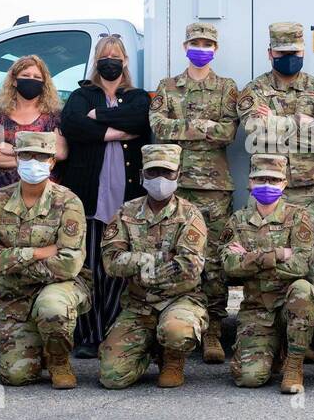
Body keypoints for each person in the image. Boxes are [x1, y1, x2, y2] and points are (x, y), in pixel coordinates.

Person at [0, 132, 90, 389]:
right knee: (16, 377)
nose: (33, 162)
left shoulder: (68, 202)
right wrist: (36, 252)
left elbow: (69, 263)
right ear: (16, 158)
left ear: (52, 162)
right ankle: (37, 347)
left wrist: (7, 258)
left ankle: (58, 360)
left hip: (58, 287)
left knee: (52, 307)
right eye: (26, 155)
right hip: (13, 296)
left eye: (41, 156)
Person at [150, 22, 240, 364]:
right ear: (185, 46)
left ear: (215, 49)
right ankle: (179, 324)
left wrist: (185, 129)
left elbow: (229, 132)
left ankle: (214, 327)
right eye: (195, 42)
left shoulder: (226, 87)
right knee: (178, 255)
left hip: (214, 188)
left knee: (214, 259)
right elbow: (159, 127)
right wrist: (203, 127)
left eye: (207, 43)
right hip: (175, 185)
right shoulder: (168, 87)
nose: (201, 47)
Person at [59, 35, 151, 358]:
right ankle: (88, 336)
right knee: (91, 266)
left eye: (116, 56)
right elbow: (72, 126)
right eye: (105, 56)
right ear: (97, 61)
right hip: (90, 196)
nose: (110, 61)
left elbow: (141, 121)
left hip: (126, 197)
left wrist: (98, 120)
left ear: (125, 61)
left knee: (117, 267)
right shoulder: (82, 96)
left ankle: (113, 332)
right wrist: (116, 132)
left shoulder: (137, 97)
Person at [98, 144, 209, 389]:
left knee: (177, 331)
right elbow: (111, 263)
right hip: (138, 305)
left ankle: (172, 358)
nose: (160, 179)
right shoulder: (125, 212)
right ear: (142, 175)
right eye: (153, 172)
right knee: (112, 378)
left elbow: (189, 267)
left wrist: (137, 262)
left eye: (167, 173)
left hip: (180, 300)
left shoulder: (190, 215)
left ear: (178, 174)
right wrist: (162, 259)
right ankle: (149, 348)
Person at [237, 23, 314, 281]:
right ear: (270, 53)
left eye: (295, 53)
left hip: (306, 190)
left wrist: (275, 120)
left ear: (303, 52)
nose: (289, 59)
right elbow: (256, 130)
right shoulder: (254, 90)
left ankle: (304, 310)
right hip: (265, 186)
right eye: (282, 53)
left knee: (306, 257)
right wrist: (300, 121)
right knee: (261, 253)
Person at [221, 154, 314, 393]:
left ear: (284, 184)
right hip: (257, 308)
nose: (267, 185)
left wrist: (250, 257)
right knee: (249, 378)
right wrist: (278, 254)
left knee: (303, 291)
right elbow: (229, 265)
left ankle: (294, 364)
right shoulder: (238, 220)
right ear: (250, 182)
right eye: (260, 179)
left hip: (289, 302)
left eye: (274, 180)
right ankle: (274, 351)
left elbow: (301, 265)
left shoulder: (298, 216)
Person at [0, 54, 67, 191]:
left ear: (44, 83)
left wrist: (14, 150)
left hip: (43, 197)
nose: (31, 80)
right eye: (25, 76)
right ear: (14, 81)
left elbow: (60, 153)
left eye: (37, 77)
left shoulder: (53, 117)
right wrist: (36, 159)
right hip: (2, 196)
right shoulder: (0, 116)